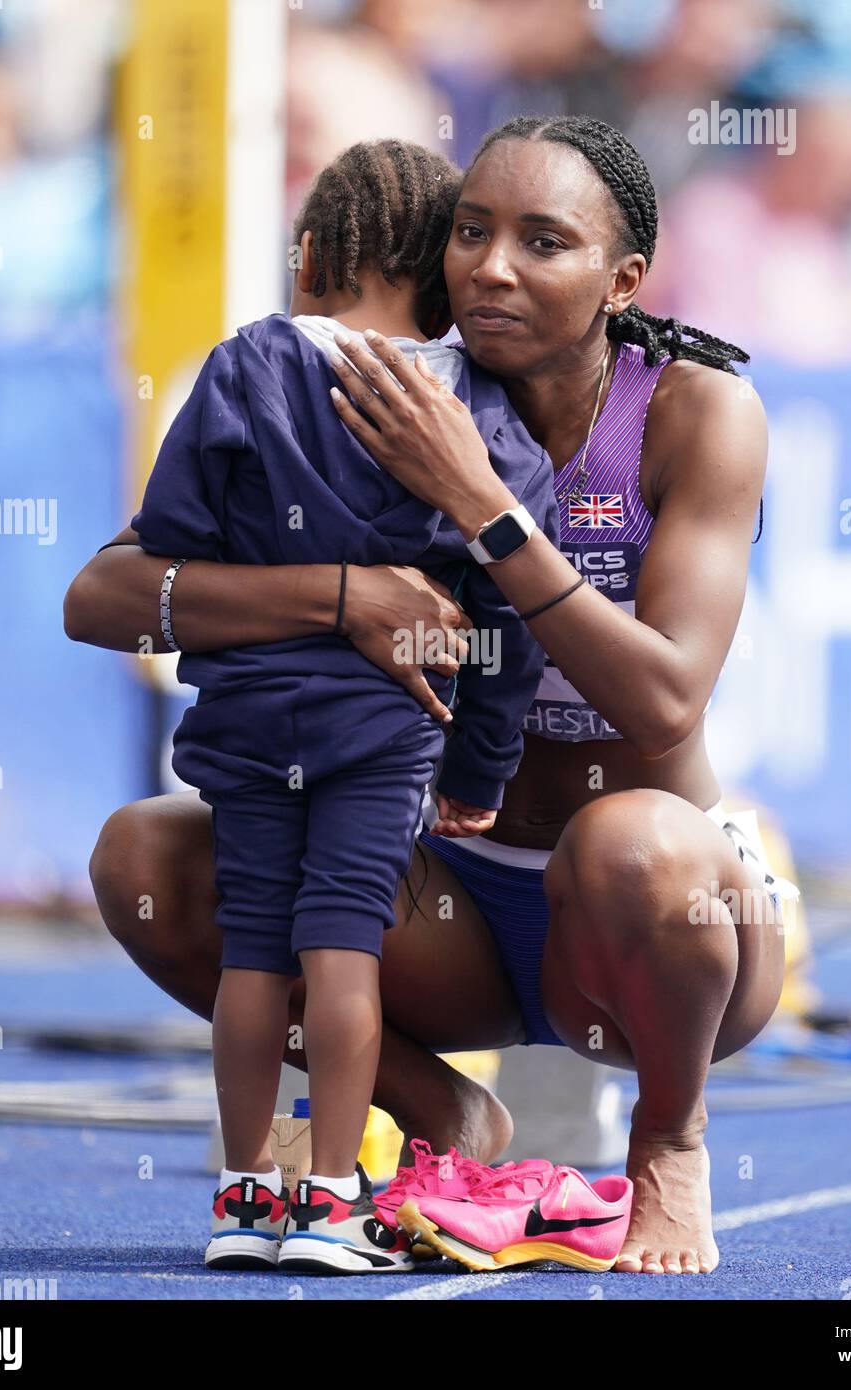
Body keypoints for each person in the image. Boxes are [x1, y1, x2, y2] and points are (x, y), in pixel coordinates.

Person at [65, 114, 795, 1275]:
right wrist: (343, 595)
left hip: (643, 919)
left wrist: (483, 510)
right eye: (471, 231)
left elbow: (663, 701)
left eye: (542, 241)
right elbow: (104, 593)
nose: (492, 265)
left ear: (623, 281)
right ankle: (443, 1115)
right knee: (145, 860)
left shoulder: (695, 411)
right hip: (440, 892)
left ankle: (670, 1138)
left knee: (633, 846)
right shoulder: (359, 386)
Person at [126, 139, 558, 1275]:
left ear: (310, 253)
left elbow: (169, 544)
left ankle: (241, 1195)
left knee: (255, 958)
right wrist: (478, 767)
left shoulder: (244, 367)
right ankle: (326, 1196)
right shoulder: (471, 413)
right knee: (342, 955)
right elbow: (507, 620)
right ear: (439, 270)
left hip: (247, 726)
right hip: (379, 740)